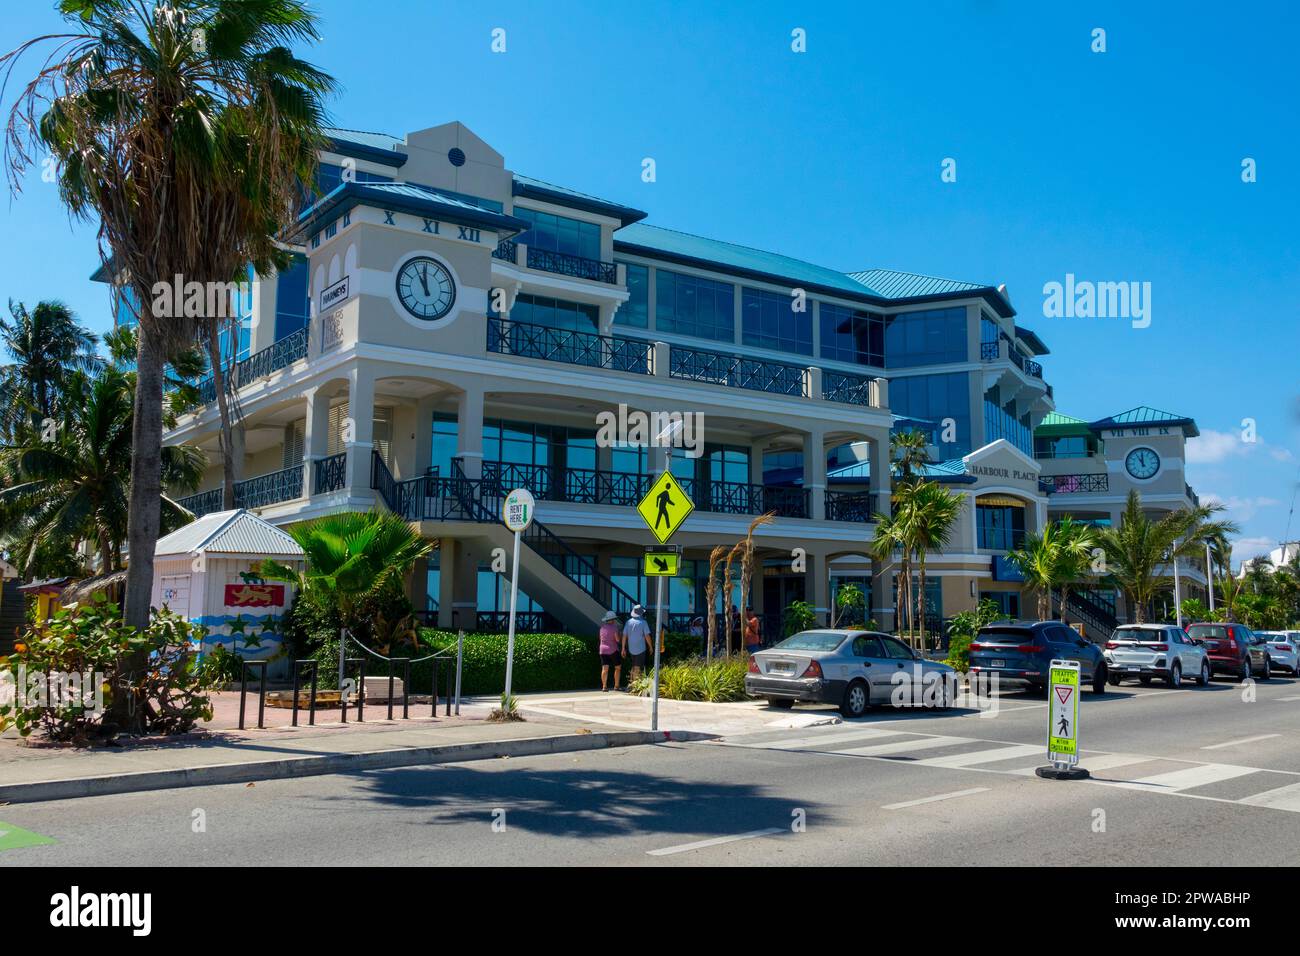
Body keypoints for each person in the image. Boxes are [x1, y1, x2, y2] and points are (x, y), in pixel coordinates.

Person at [623, 604, 652, 682]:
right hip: (641, 648)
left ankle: (632, 683)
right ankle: (635, 685)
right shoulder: (643, 622)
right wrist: (650, 646)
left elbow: (624, 636)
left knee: (634, 666)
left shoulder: (628, 622)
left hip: (631, 648)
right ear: (641, 613)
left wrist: (623, 648)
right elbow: (647, 636)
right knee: (637, 667)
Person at [598, 610, 622, 692]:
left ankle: (604, 686)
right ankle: (616, 686)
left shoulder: (602, 628)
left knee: (604, 669)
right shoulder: (614, 627)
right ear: (612, 619)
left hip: (602, 650)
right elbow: (617, 640)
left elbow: (601, 639)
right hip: (613, 650)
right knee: (617, 668)